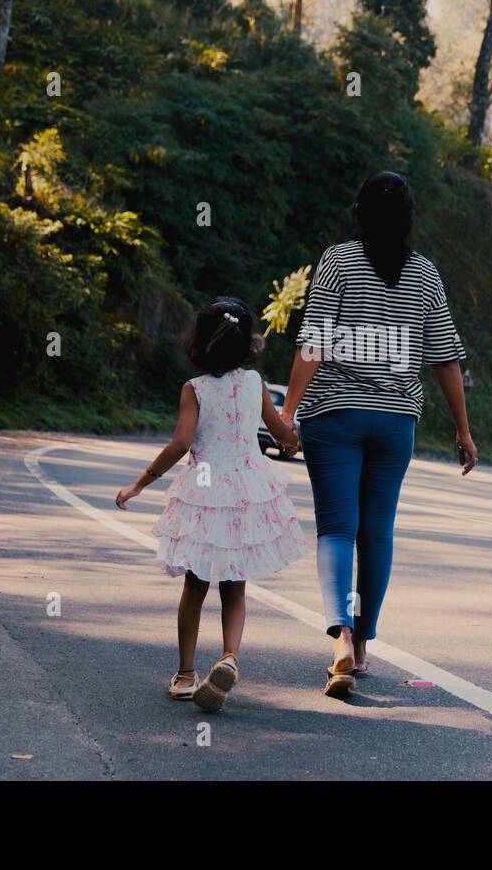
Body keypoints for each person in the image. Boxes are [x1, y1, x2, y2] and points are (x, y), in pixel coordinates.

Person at [279, 171, 477, 699]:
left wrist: (289, 414)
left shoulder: (339, 261)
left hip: (335, 416)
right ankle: (363, 645)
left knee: (337, 531)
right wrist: (463, 430)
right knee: (378, 534)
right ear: (409, 217)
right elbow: (445, 360)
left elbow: (313, 343)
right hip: (394, 421)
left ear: (360, 212)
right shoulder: (425, 275)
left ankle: (340, 637)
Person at [115, 297, 305, 712]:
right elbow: (279, 431)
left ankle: (186, 675)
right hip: (247, 490)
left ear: (200, 343)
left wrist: (140, 484)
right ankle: (229, 658)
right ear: (246, 346)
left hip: (205, 491)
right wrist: (292, 442)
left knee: (195, 586)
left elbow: (181, 443)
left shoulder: (195, 389)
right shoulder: (254, 384)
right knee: (235, 585)